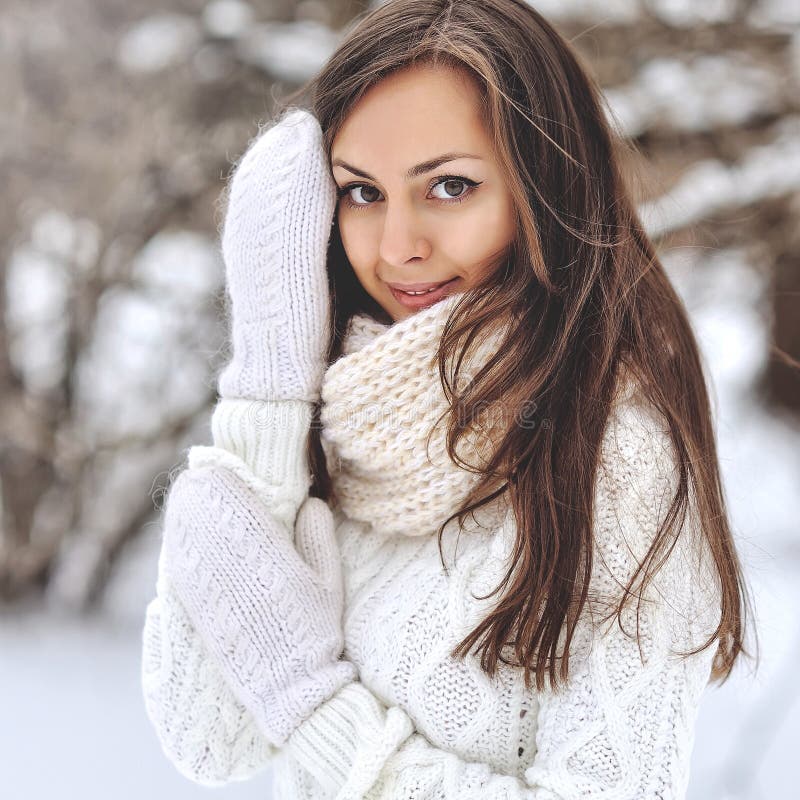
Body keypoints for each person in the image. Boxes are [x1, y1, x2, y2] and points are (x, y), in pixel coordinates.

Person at [140, 1, 756, 797]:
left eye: (450, 186)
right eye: (361, 193)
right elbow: (210, 742)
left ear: (546, 188)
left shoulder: (615, 455)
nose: (399, 246)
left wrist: (319, 713)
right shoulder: (340, 426)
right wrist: (266, 398)